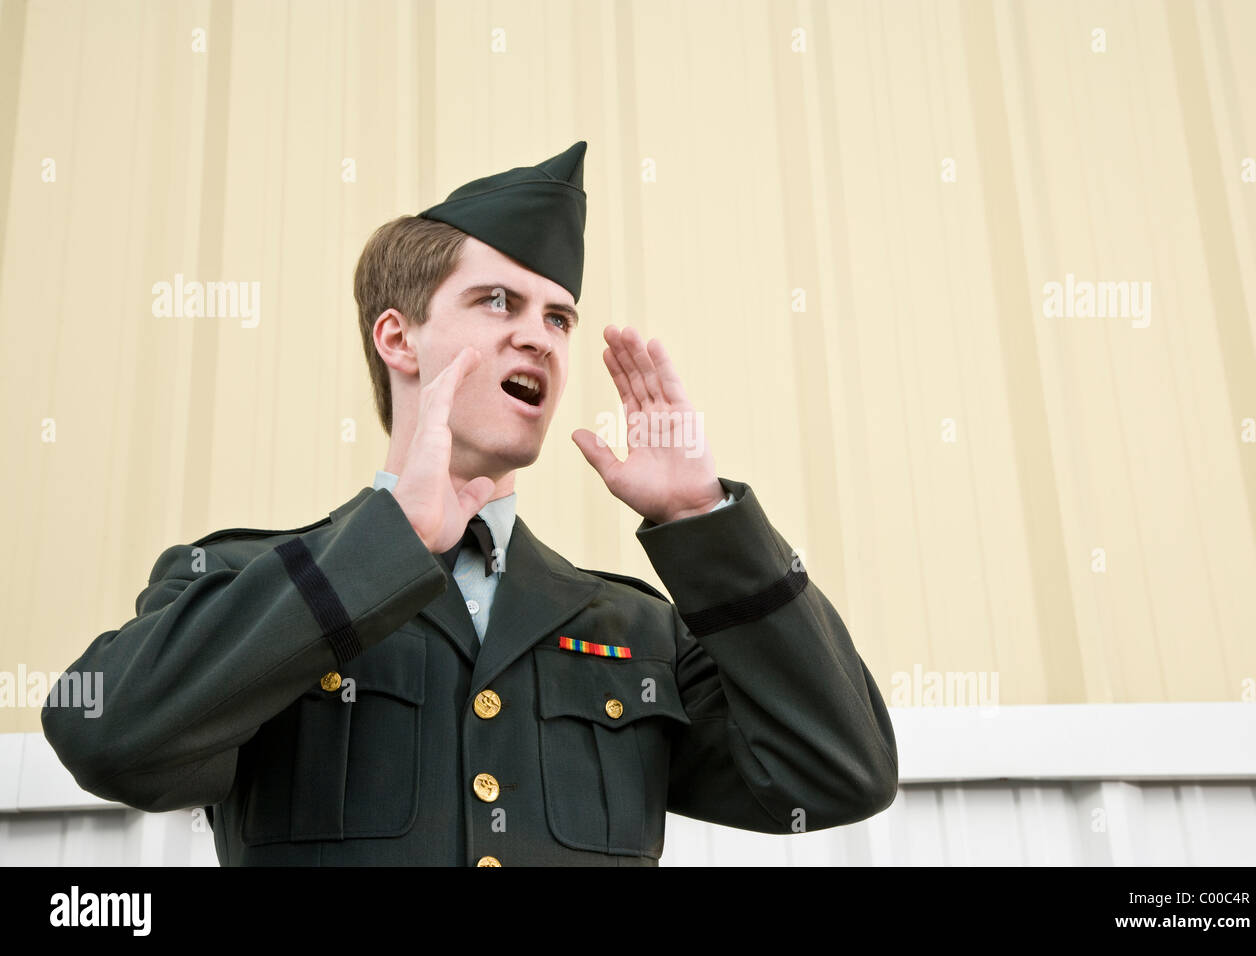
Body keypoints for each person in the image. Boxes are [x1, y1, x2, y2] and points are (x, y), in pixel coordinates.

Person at [42, 141, 898, 866]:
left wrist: (703, 524)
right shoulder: (241, 581)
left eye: (559, 318)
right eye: (497, 301)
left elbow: (837, 775)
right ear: (397, 337)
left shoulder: (639, 633)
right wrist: (389, 544)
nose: (538, 335)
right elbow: (109, 739)